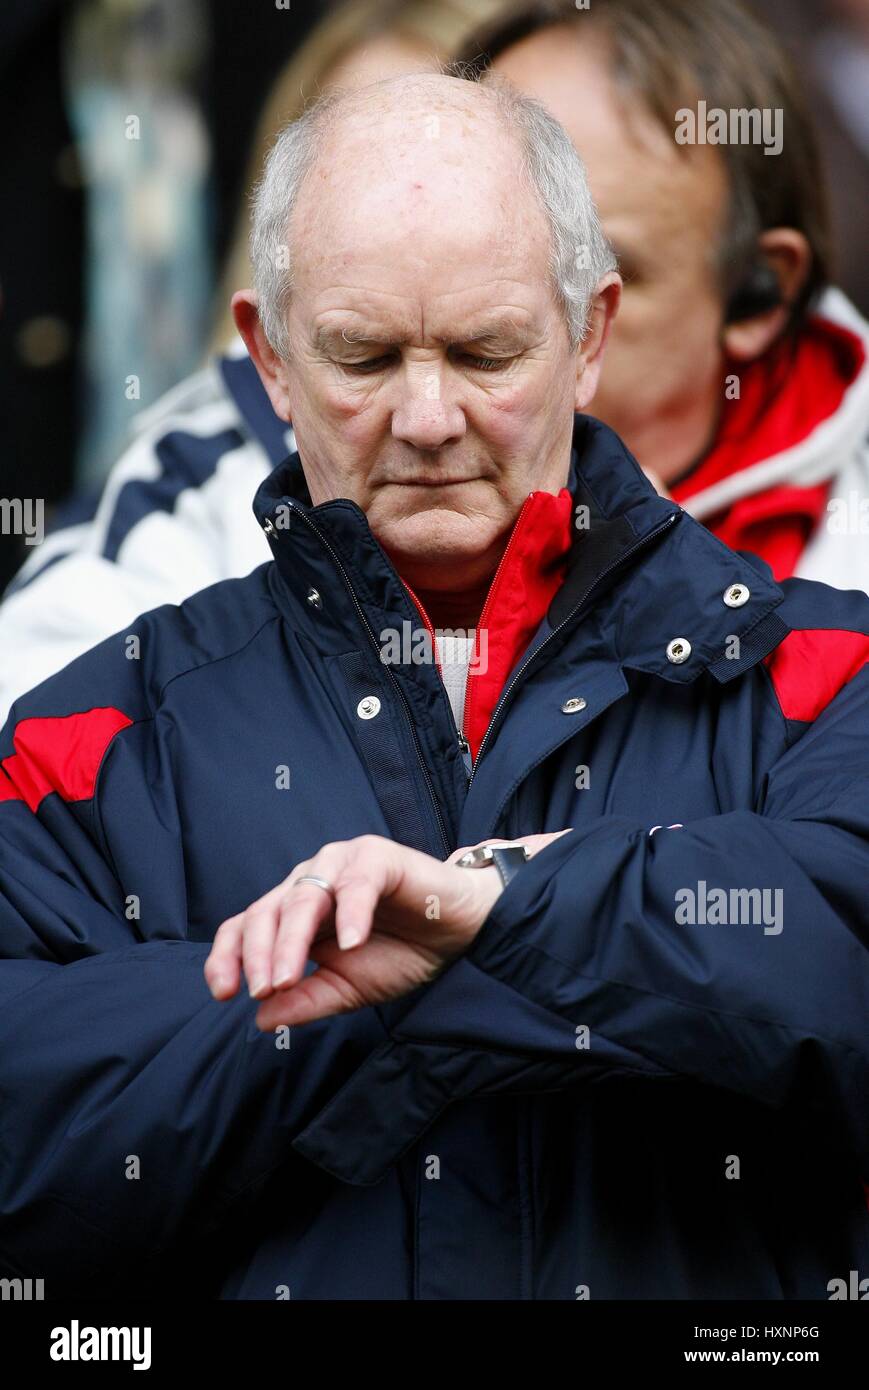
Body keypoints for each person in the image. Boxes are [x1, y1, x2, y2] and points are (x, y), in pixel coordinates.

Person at [1, 70, 867, 1302]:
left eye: (484, 351)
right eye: (361, 354)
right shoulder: (97, 733)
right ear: (268, 361)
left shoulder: (824, 674)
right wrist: (365, 999)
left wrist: (495, 908)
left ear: (589, 337)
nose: (425, 415)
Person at [0, 0, 507, 724]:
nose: (406, 214)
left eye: (453, 169)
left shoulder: (649, 484)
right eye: (352, 173)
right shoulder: (188, 487)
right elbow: (32, 718)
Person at [460, 0, 869, 586]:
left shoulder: (849, 589)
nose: (500, 319)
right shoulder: (298, 521)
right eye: (469, 254)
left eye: (585, 276)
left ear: (761, 293)